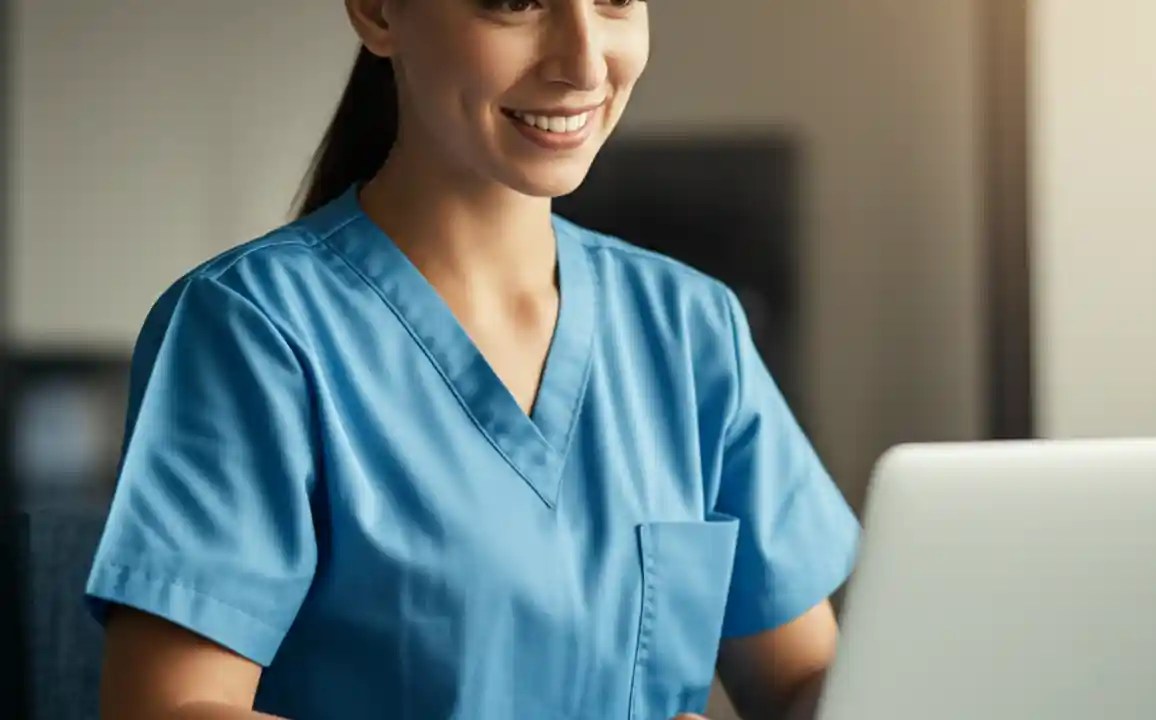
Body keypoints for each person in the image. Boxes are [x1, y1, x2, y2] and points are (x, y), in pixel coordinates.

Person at [85, 1, 860, 718]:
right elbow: (170, 709)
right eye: (516, 1)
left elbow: (799, 685)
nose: (584, 63)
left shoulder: (691, 329)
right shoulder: (254, 328)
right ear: (380, 11)